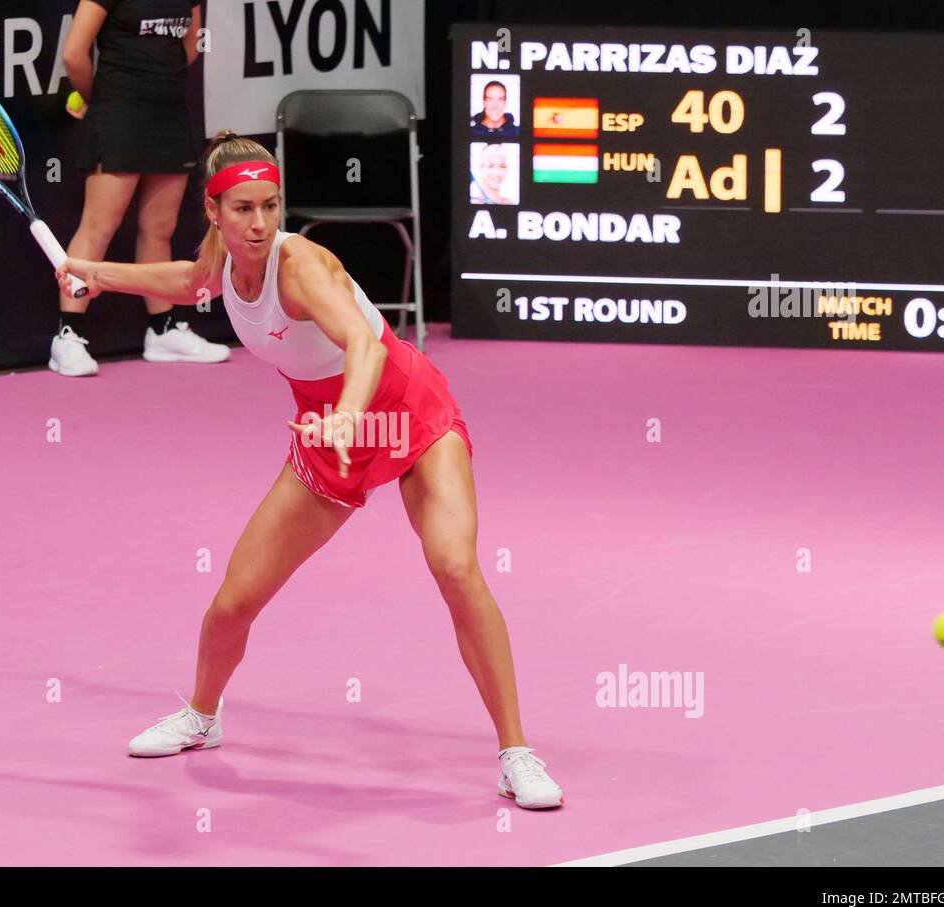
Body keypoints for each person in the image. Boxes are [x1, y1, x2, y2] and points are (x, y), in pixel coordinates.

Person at [55, 131, 564, 809]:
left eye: (270, 205)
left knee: (455, 566)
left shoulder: (300, 267)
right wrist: (97, 270)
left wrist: (351, 413)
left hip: (404, 411)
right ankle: (202, 716)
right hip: (324, 433)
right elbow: (190, 280)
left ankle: (516, 753)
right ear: (214, 212)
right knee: (234, 601)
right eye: (243, 208)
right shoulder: (223, 258)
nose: (260, 222)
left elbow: (363, 342)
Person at [52, 0, 228, 376]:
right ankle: (68, 335)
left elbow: (192, 41)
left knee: (159, 228)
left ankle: (162, 330)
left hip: (168, 112)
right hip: (117, 112)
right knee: (98, 229)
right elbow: (74, 53)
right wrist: (95, 98)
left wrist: (157, 79)